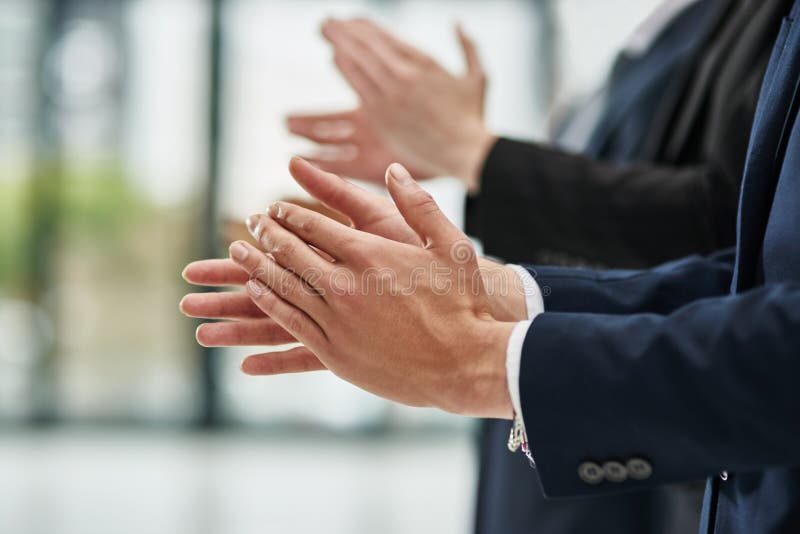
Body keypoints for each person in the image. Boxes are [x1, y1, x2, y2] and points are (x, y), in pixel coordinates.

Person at [180, 0, 800, 529]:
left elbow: (714, 227)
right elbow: (745, 270)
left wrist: (482, 362)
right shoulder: (678, 34)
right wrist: (495, 294)